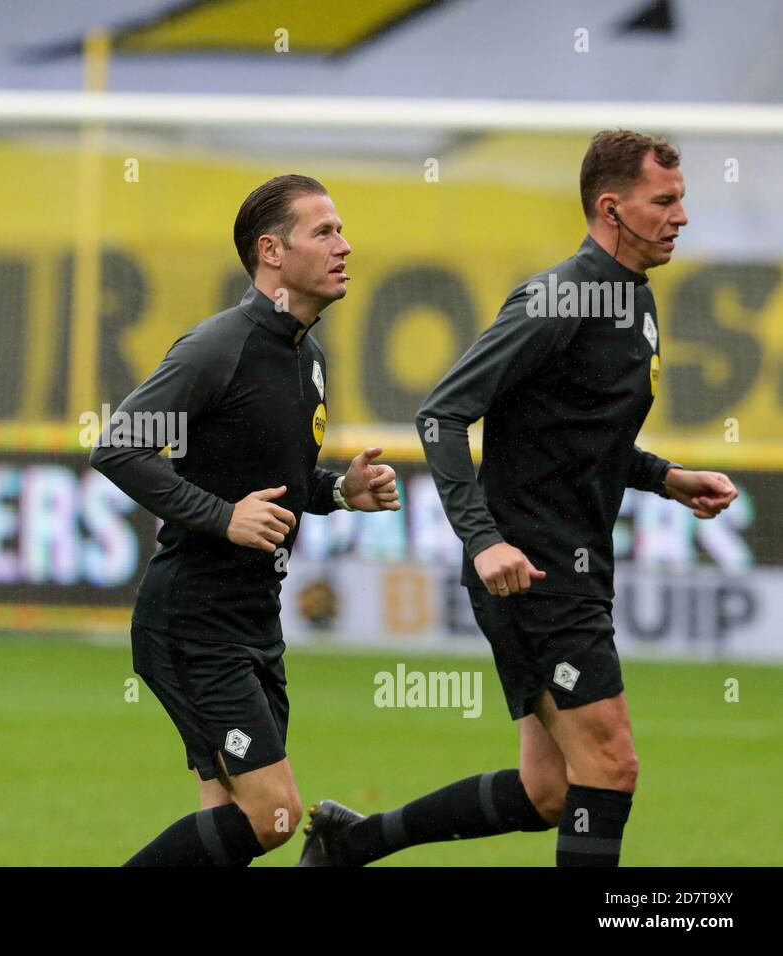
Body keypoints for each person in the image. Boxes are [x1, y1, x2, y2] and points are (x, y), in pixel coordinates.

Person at [299, 130, 737, 868]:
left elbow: (570, 432)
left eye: (681, 200)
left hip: (572, 567)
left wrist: (665, 477)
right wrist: (483, 539)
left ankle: (354, 841)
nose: (681, 216)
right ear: (611, 208)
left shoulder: (631, 297)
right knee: (611, 767)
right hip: (531, 572)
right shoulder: (561, 295)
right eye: (664, 201)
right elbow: (442, 413)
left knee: (550, 791)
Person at [92, 174, 400, 866]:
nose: (344, 246)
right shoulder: (217, 347)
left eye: (341, 231)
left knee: (228, 822)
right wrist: (222, 517)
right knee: (276, 814)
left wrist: (341, 492)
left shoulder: (309, 359)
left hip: (255, 620)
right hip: (192, 620)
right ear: (271, 250)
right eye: (323, 232)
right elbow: (118, 446)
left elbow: (281, 488)